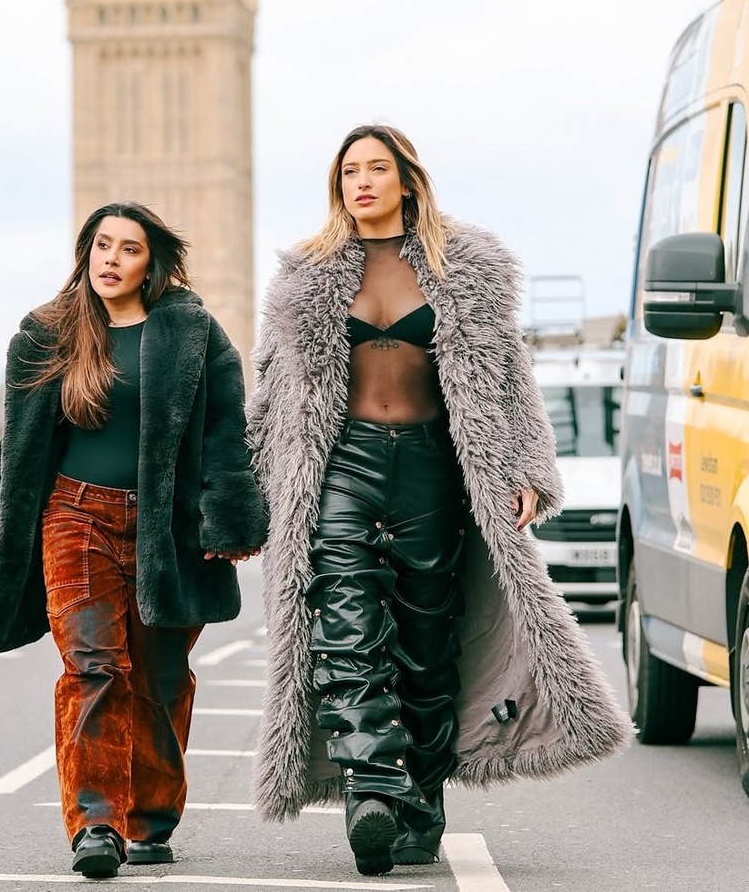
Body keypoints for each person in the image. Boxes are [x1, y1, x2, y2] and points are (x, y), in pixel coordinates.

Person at [248, 124, 632, 876]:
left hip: (434, 470)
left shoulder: (468, 266)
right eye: (349, 171)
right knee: (348, 628)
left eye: (376, 169)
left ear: (406, 180)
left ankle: (421, 798)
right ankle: (374, 791)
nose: (361, 182)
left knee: (427, 646)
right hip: (343, 467)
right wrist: (250, 495)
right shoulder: (304, 276)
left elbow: (505, 377)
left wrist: (527, 466)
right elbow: (271, 392)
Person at [0, 202, 267, 879]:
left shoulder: (194, 334)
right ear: (85, 252)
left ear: (152, 261)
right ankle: (96, 822)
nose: (111, 259)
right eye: (102, 245)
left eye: (128, 249)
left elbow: (224, 433)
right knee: (93, 665)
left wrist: (230, 518)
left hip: (168, 528)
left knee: (159, 677)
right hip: (73, 517)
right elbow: (18, 449)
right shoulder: (48, 334)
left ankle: (150, 820)